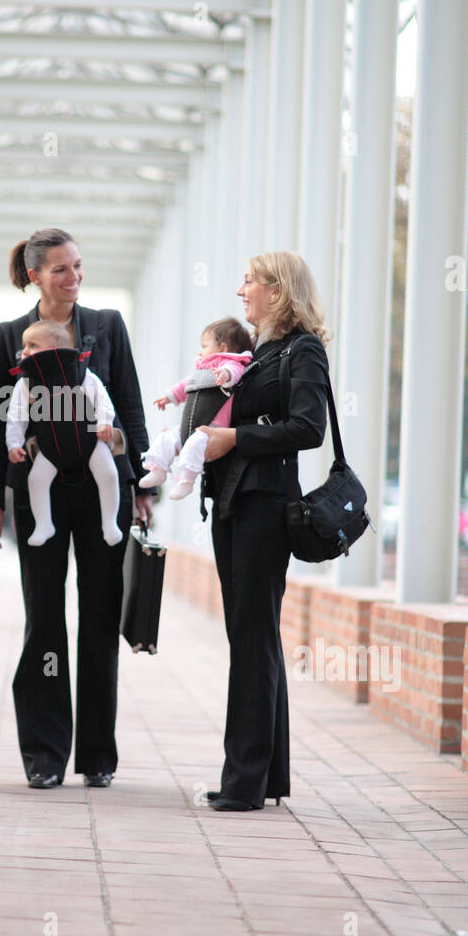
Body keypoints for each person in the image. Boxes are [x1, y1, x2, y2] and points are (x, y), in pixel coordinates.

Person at [0, 228, 153, 789]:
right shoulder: (12, 336)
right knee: (44, 619)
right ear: (34, 275)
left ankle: (98, 754)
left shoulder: (106, 326)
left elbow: (127, 400)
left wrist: (142, 484)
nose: (74, 277)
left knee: (100, 619)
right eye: (60, 269)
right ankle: (44, 753)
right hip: (40, 491)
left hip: (103, 486)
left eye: (78, 266)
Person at [199, 252, 330, 812]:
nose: (240, 291)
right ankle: (264, 775)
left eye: (249, 281)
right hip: (233, 502)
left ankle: (244, 781)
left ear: (279, 290)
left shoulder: (303, 350)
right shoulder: (263, 352)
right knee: (254, 639)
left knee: (252, 640)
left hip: (264, 506)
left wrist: (238, 439)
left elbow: (309, 427)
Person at [7, 319, 122, 547]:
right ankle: (44, 524)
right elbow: (16, 415)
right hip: (50, 447)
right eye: (24, 345)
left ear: (56, 348)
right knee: (36, 479)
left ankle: (110, 523)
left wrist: (103, 423)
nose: (25, 351)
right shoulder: (27, 382)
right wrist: (14, 444)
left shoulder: (81, 373)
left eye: (33, 345)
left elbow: (102, 400)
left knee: (108, 474)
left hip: (89, 441)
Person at [139, 317, 253, 500]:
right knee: (167, 437)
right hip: (192, 426)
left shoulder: (231, 364)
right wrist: (169, 397)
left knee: (194, 445)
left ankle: (186, 481)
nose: (201, 351)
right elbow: (187, 384)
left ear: (223, 348)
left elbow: (236, 372)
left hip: (213, 428)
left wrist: (225, 374)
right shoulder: (202, 371)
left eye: (205, 346)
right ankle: (158, 469)